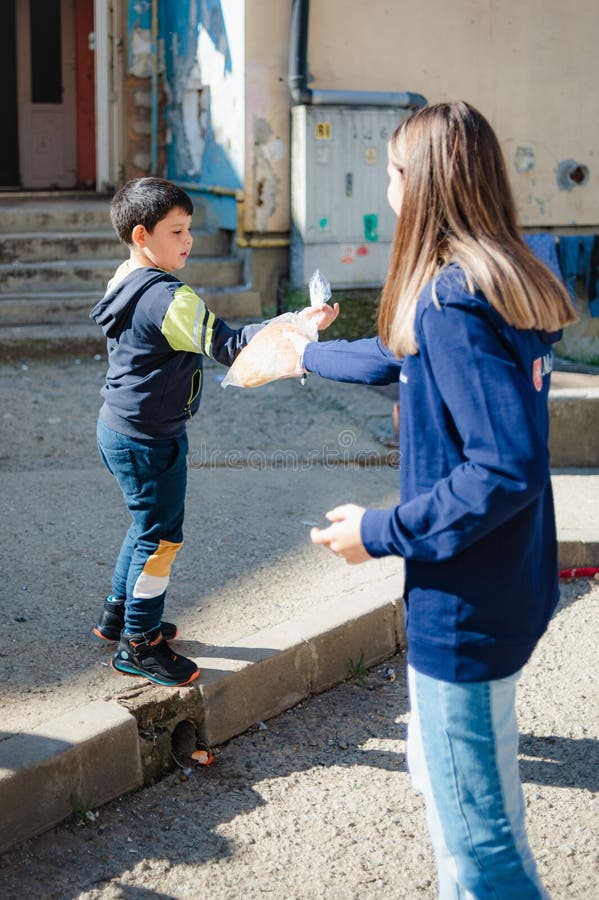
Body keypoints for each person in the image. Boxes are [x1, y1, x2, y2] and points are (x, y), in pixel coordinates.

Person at [303, 101, 577, 897]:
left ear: (420, 184)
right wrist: (300, 353)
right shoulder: (502, 278)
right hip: (505, 585)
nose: (384, 185)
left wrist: (378, 530)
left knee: (482, 858)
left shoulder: (450, 301)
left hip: (463, 605)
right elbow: (399, 355)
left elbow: (504, 467)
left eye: (391, 171)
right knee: (456, 800)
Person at [90, 177, 337, 688]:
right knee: (160, 538)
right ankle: (139, 643)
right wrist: (301, 327)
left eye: (189, 229)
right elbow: (231, 347)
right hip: (151, 438)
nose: (188, 240)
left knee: (145, 526)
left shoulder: (125, 277)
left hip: (119, 426)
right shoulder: (172, 300)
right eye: (177, 230)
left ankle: (119, 615)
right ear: (142, 235)